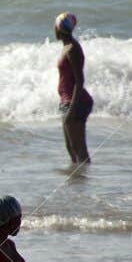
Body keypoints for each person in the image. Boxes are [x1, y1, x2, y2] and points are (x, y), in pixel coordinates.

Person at [55, 12, 93, 166]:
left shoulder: (72, 49)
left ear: (59, 28)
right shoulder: (66, 47)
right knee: (71, 148)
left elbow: (79, 80)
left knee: (79, 150)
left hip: (75, 102)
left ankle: (84, 183)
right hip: (67, 101)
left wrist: (72, 108)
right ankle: (77, 184)